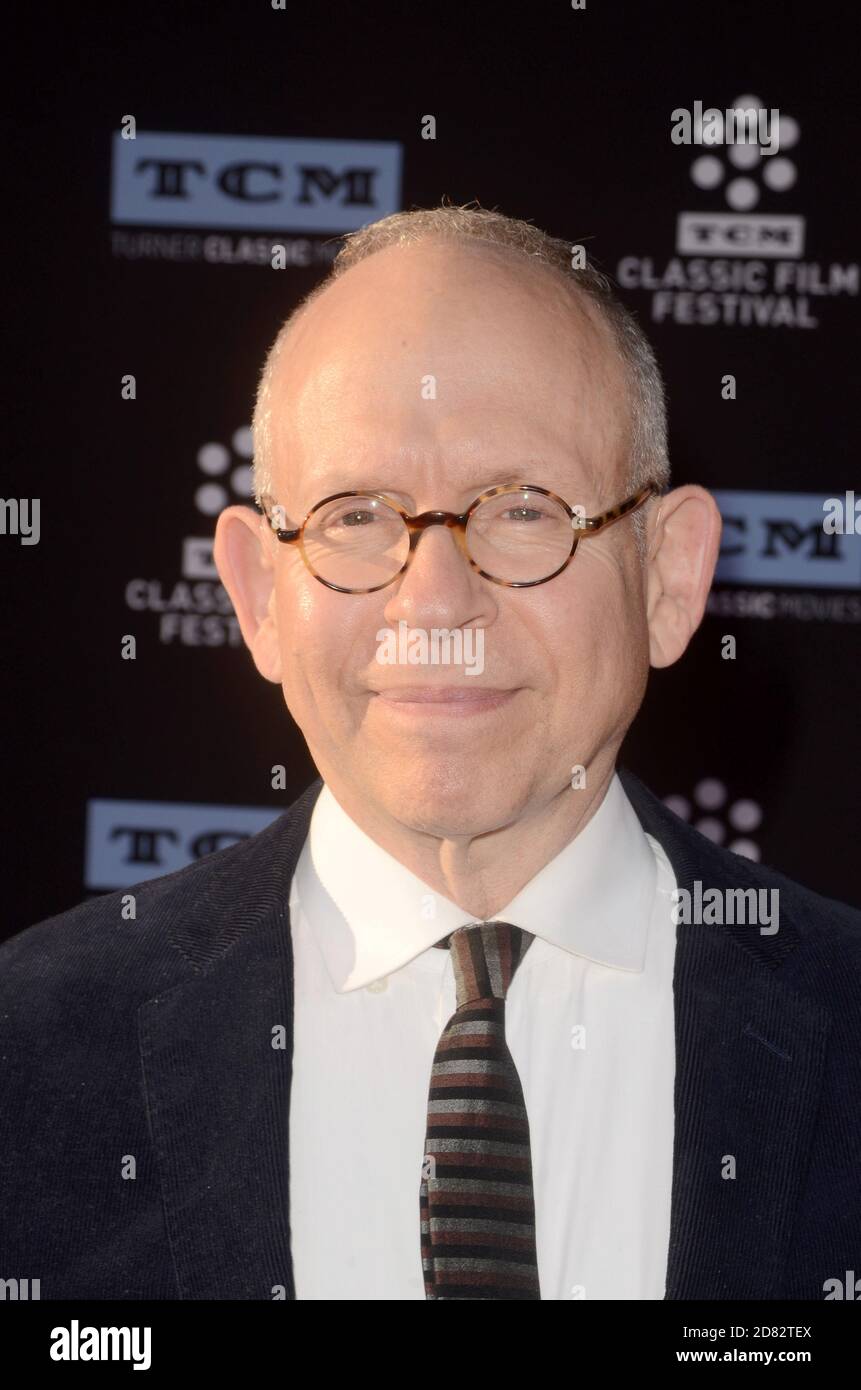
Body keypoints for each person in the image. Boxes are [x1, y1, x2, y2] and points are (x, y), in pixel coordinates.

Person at [1, 205, 858, 1301]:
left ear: (669, 577)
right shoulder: (28, 1055)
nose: (437, 601)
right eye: (356, 515)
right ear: (260, 595)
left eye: (521, 509)